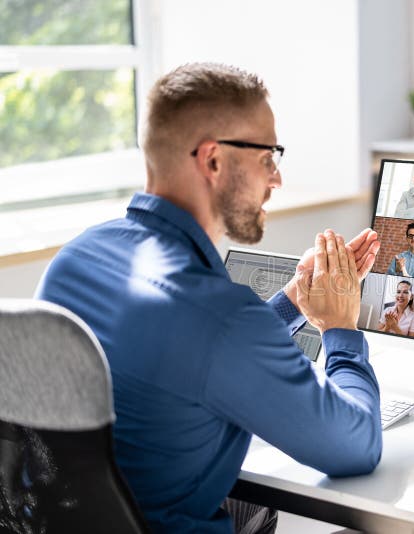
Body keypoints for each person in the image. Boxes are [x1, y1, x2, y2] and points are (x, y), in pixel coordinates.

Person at [35, 63, 383, 534]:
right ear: (213, 161)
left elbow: (191, 350)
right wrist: (340, 326)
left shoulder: (76, 258)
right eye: (268, 157)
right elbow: (358, 446)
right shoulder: (220, 320)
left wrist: (294, 301)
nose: (277, 179)